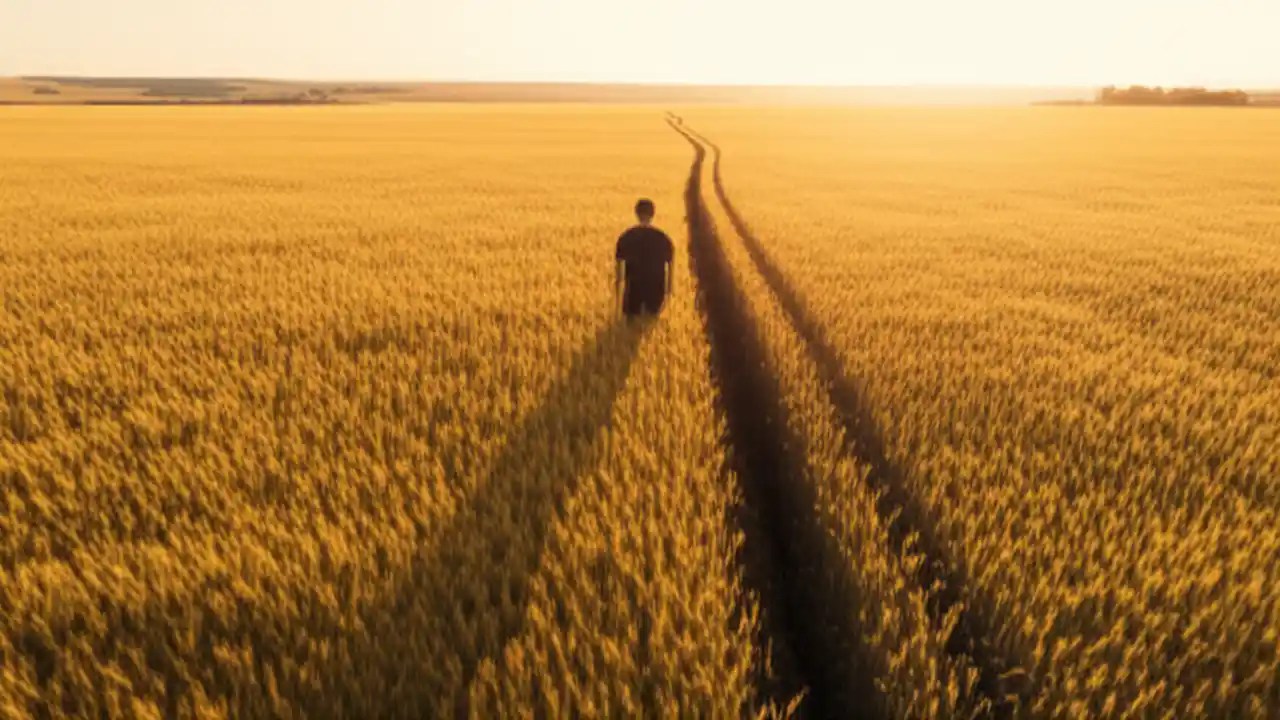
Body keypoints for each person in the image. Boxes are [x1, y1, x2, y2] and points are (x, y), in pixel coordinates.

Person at [615, 198, 674, 317]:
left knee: (630, 328)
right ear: (653, 214)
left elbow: (619, 273)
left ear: (636, 213)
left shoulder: (626, 237)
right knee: (650, 326)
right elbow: (670, 269)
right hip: (656, 292)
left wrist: (618, 296)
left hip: (633, 293)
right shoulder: (664, 239)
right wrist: (668, 291)